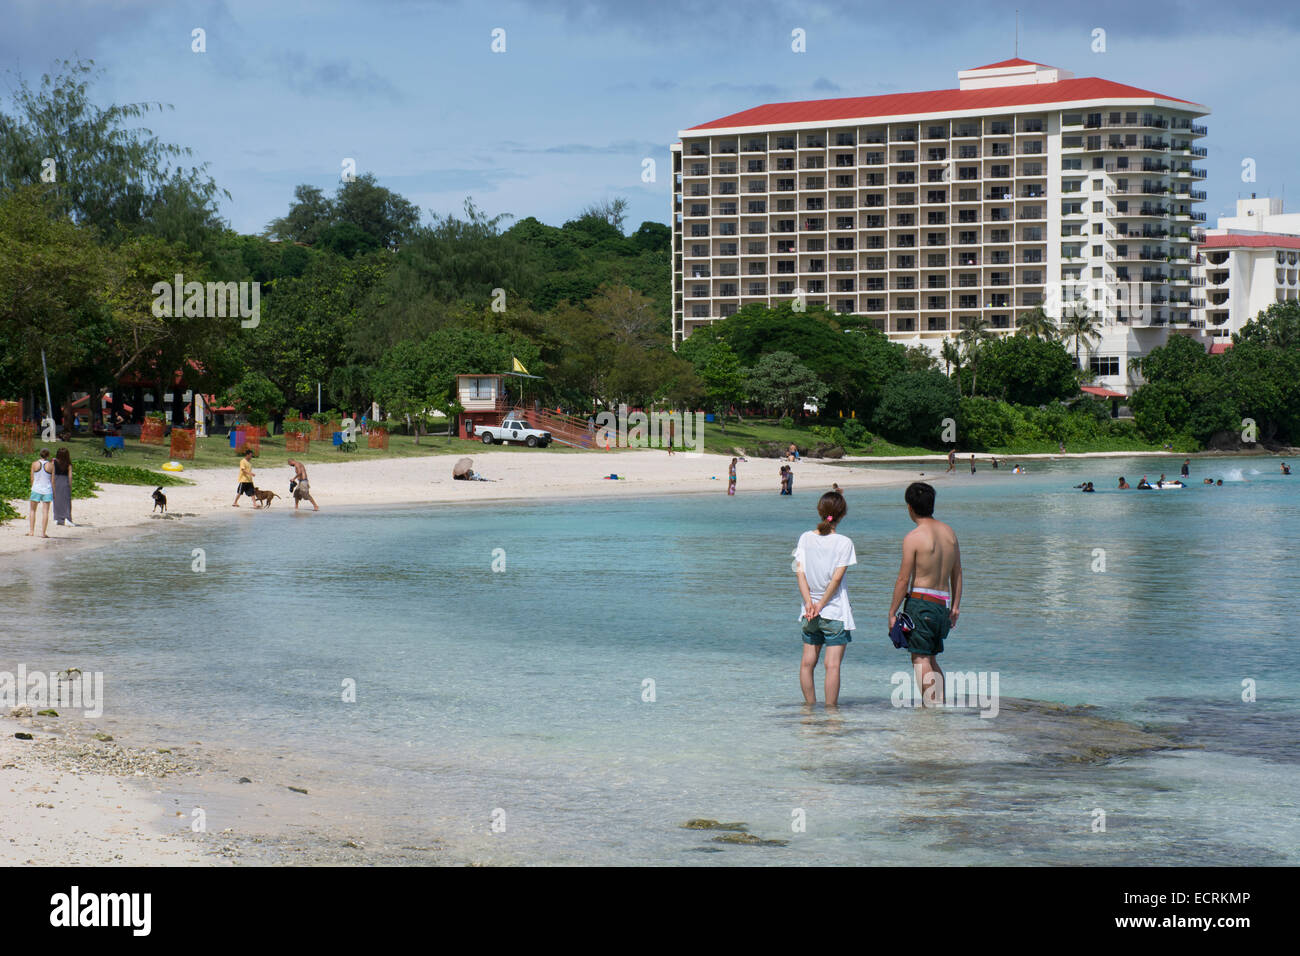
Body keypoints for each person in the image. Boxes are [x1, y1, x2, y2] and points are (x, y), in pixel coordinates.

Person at [888, 482, 962, 708]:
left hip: (921, 603)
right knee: (930, 657)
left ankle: (930, 712)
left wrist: (892, 611)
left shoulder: (914, 537)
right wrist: (956, 606)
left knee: (920, 658)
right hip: (943, 603)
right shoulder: (949, 533)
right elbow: (957, 572)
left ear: (909, 507)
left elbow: (903, 579)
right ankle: (939, 706)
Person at [794, 491, 857, 708]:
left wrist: (809, 603)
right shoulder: (844, 542)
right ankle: (831, 716)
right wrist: (821, 605)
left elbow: (799, 573)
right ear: (843, 514)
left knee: (806, 665)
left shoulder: (804, 538)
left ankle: (809, 712)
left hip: (808, 611)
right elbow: (837, 579)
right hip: (834, 612)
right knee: (832, 667)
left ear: (820, 511)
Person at [26, 449, 54, 538]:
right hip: (47, 490)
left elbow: (32, 478)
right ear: (48, 455)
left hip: (36, 489)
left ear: (40, 455)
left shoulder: (34, 464)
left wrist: (33, 487)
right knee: (45, 511)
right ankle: (43, 533)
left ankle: (31, 531)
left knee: (32, 510)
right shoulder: (51, 465)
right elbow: (53, 481)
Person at [52, 447, 76, 526]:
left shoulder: (54, 462)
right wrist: (70, 485)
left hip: (56, 481)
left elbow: (52, 474)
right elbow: (70, 476)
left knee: (56, 500)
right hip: (65, 482)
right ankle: (67, 518)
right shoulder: (68, 464)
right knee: (66, 501)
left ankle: (57, 518)